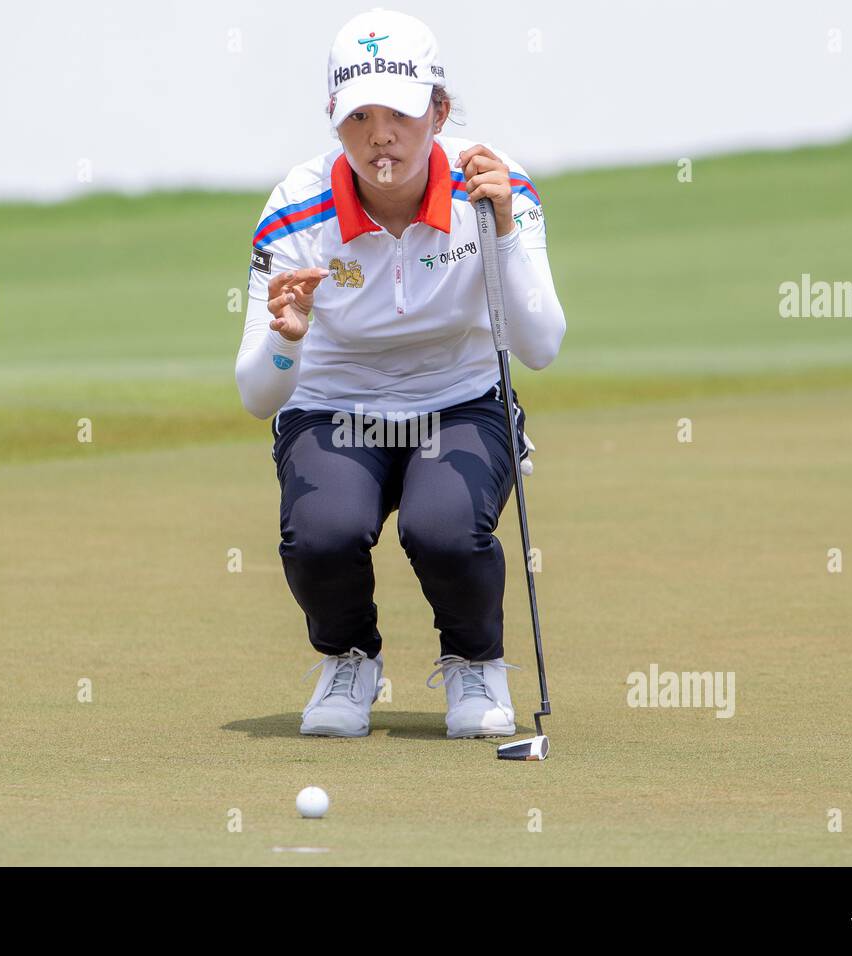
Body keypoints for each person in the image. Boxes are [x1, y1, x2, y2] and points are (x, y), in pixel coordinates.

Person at [235, 9, 566, 740]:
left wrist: (506, 229)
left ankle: (474, 662)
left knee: (443, 528)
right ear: (333, 118)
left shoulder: (492, 186)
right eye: (358, 116)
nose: (379, 136)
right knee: (323, 533)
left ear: (439, 112)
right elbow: (257, 392)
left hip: (460, 402)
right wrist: (287, 342)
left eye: (400, 113)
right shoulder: (297, 207)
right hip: (333, 407)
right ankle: (349, 659)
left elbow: (541, 345)